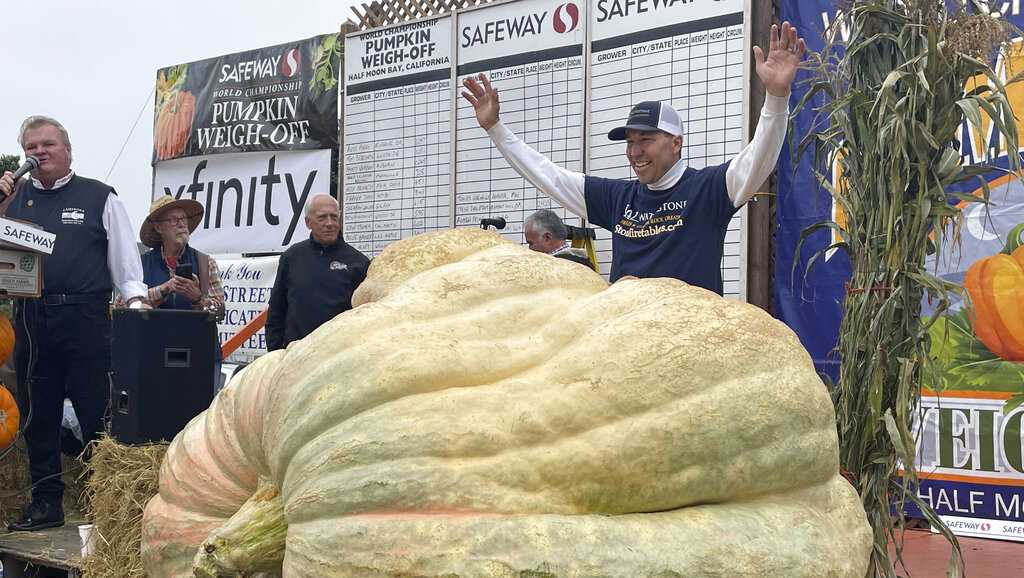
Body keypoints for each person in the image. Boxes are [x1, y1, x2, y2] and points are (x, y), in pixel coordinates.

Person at [462, 22, 806, 295]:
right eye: (629, 142)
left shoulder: (709, 190)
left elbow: (760, 157)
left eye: (646, 140)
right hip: (626, 344)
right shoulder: (617, 198)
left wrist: (776, 97)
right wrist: (495, 129)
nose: (634, 152)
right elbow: (546, 174)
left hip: (691, 346)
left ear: (676, 143)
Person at [0, 115, 148, 531]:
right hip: (31, 318)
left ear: (67, 150)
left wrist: (136, 305)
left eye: (47, 144)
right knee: (38, 415)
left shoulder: (99, 196)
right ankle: (46, 502)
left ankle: (110, 506)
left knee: (96, 411)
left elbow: (125, 263)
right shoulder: (15, 199)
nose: (38, 153)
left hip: (85, 317)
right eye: (30, 147)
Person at [136, 194, 226, 388]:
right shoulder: (140, 264)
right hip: (153, 357)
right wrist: (164, 289)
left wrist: (198, 298)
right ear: (158, 228)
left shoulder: (205, 262)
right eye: (173, 220)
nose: (181, 224)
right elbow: (124, 306)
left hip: (199, 357)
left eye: (183, 219)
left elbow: (220, 312)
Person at [267, 193, 369, 351]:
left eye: (334, 217)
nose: (329, 223)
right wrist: (275, 353)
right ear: (308, 222)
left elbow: (366, 316)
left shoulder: (359, 262)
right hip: (295, 354)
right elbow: (276, 309)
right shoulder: (291, 257)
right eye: (322, 218)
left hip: (339, 354)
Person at [524, 209, 595, 270]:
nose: (530, 249)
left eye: (531, 243)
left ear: (547, 238)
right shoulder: (585, 264)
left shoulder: (547, 269)